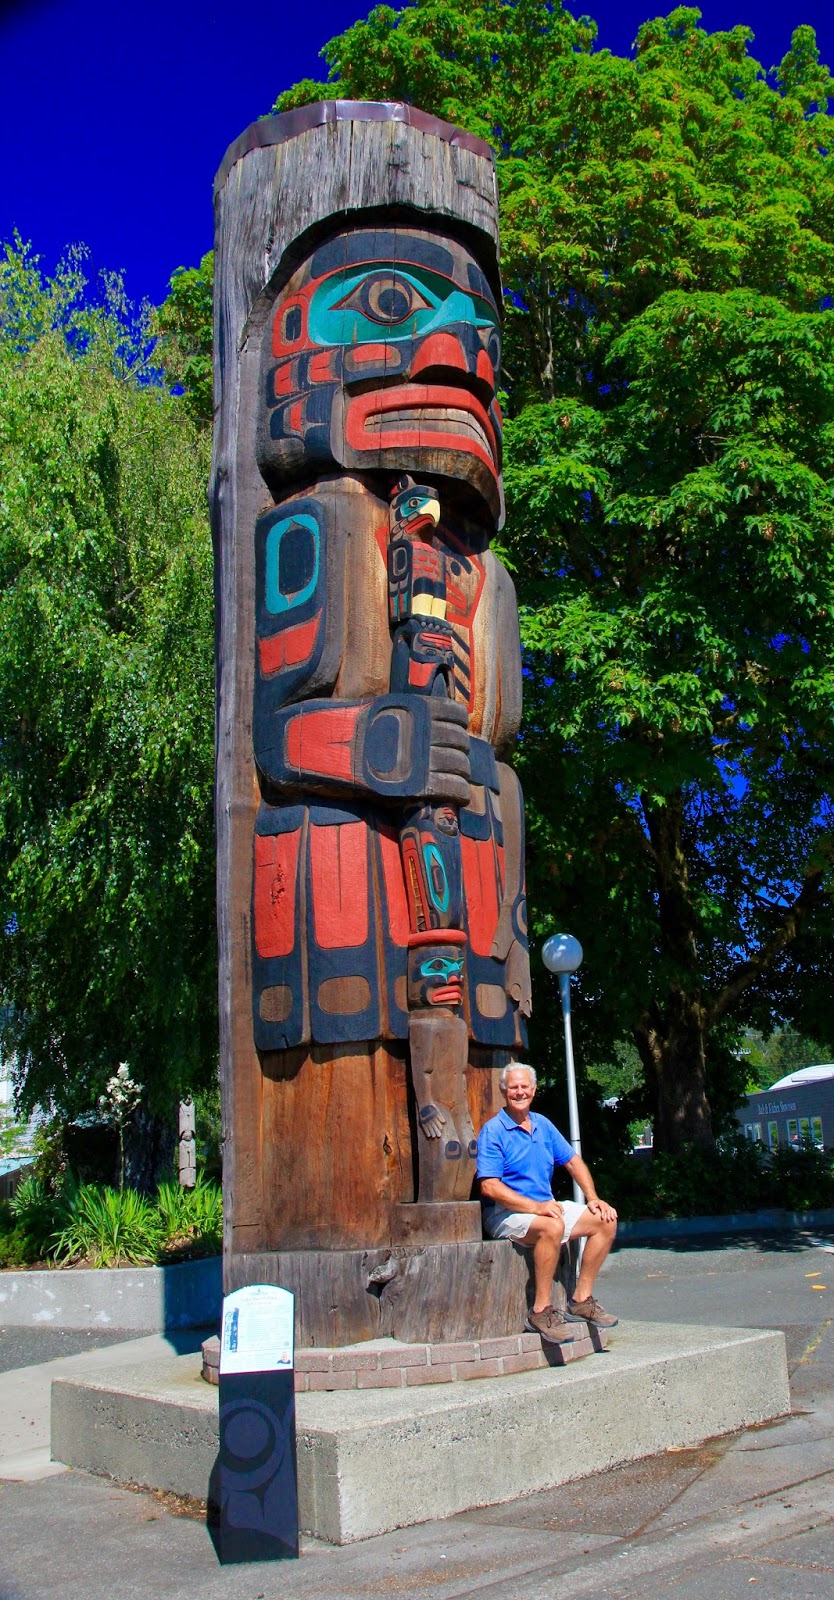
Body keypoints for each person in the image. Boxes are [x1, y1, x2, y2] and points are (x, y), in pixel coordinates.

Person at [477, 1061, 619, 1343]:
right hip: (507, 1214)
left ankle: (581, 1299)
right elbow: (489, 1186)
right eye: (513, 1087)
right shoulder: (493, 1130)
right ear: (504, 1091)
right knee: (552, 1228)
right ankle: (541, 1311)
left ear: (534, 1090)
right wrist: (536, 1208)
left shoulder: (543, 1124)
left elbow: (573, 1161)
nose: (519, 1092)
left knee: (606, 1220)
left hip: (545, 1206)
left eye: (524, 1087)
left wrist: (593, 1198)